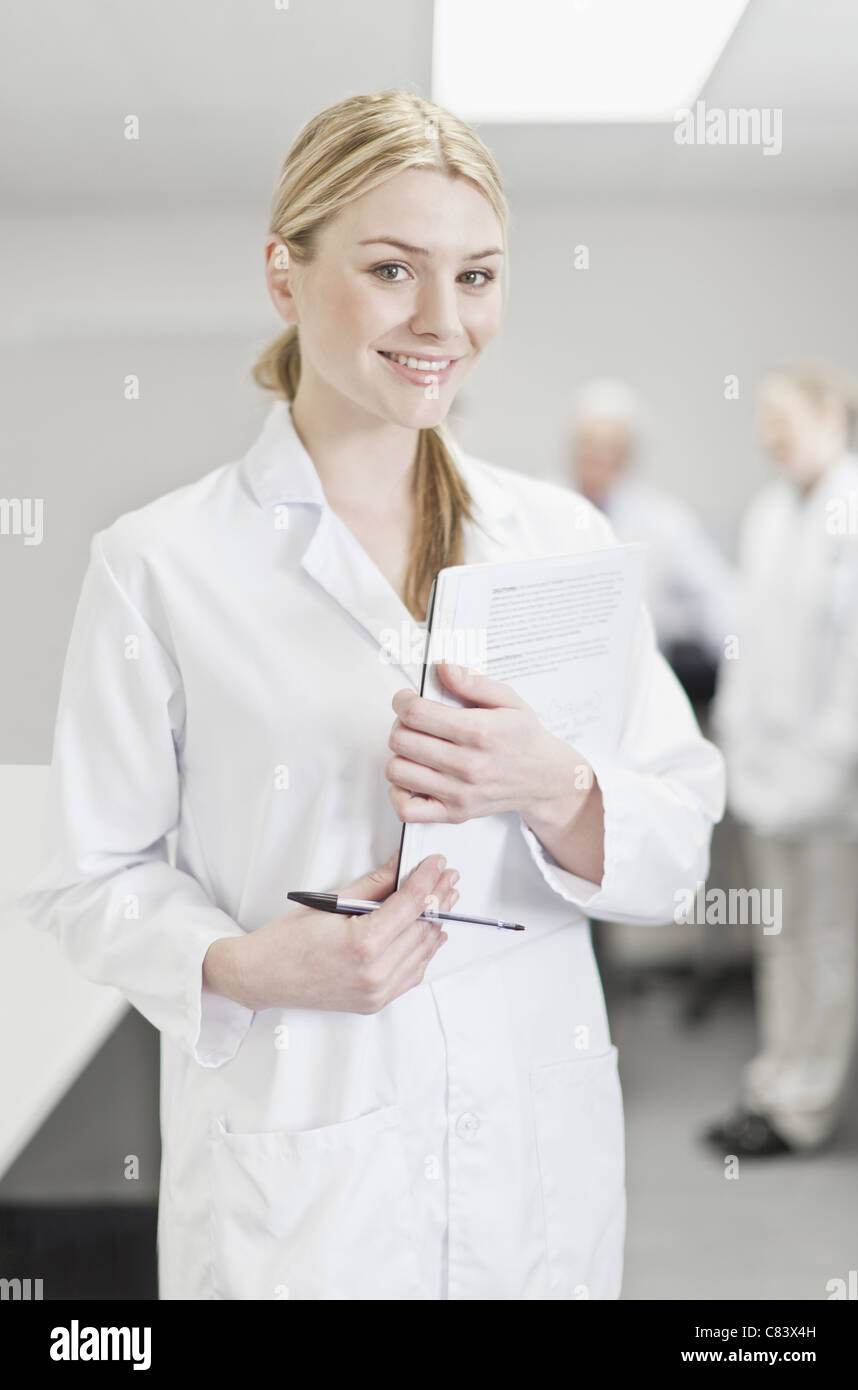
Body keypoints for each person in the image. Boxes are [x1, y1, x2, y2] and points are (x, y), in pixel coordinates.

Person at [20, 90, 724, 1300]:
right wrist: (247, 966)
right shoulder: (160, 565)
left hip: (531, 1163)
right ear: (284, 276)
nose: (441, 321)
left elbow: (676, 839)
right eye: (392, 269)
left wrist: (550, 782)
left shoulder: (552, 536)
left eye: (478, 276)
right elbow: (89, 877)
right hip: (304, 1171)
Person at [706, 364, 858, 1157]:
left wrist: (832, 755)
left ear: (831, 416)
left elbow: (857, 655)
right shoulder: (769, 511)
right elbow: (746, 637)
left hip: (838, 784)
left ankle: (808, 1106)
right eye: (763, 419)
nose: (771, 434)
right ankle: (772, 1081)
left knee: (828, 943)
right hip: (767, 769)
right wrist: (736, 734)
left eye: (785, 418)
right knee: (780, 936)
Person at [571, 379, 736, 705]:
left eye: (610, 450)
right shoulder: (542, 505)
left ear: (628, 455)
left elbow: (720, 597)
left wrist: (740, 676)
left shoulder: (665, 520)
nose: (598, 459)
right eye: (590, 448)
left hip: (638, 688)